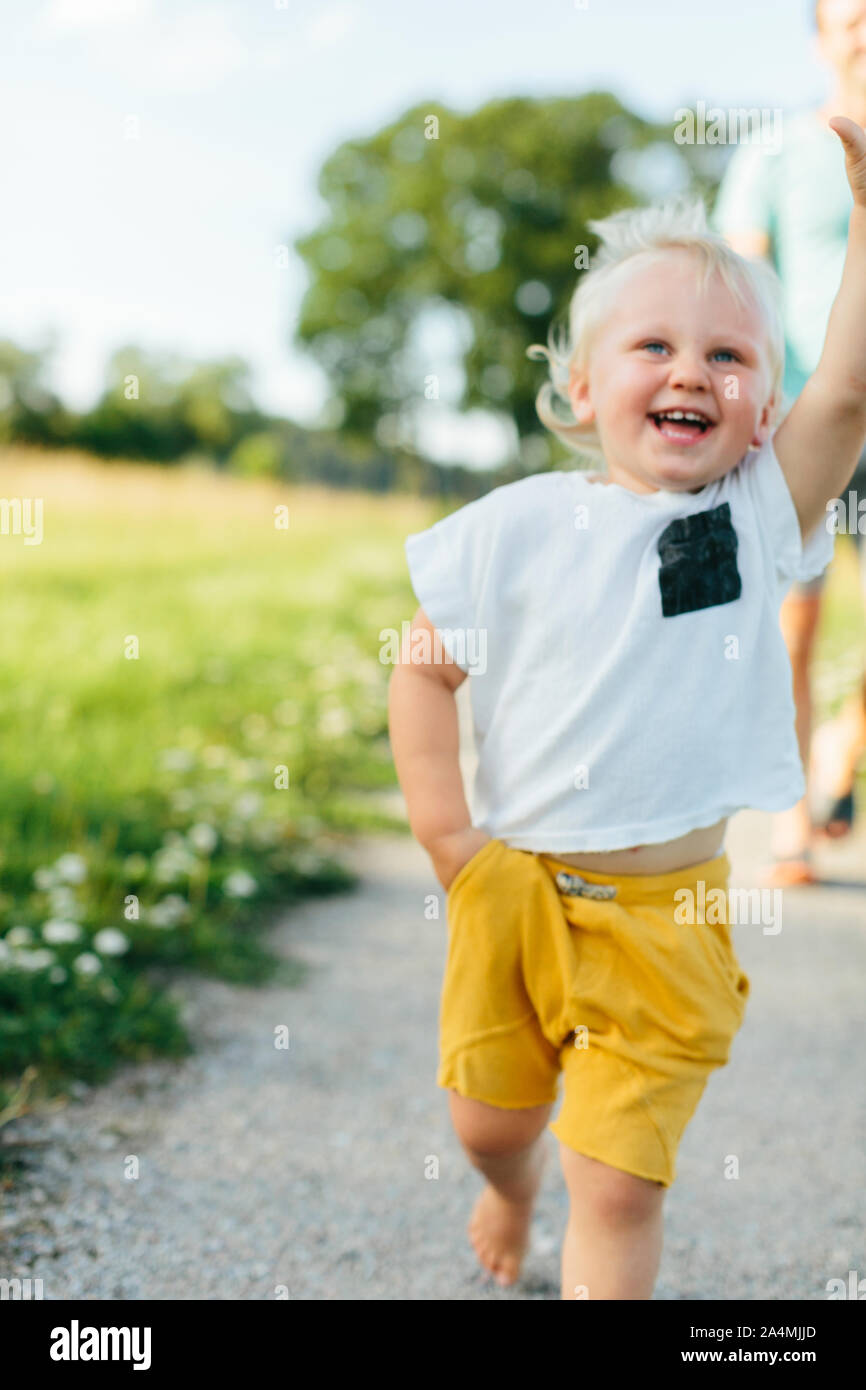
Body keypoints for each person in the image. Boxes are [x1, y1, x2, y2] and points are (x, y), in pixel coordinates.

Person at [387, 118, 866, 1301]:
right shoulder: (517, 527)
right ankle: (505, 1188)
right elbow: (419, 665)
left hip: (663, 923)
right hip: (511, 892)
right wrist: (449, 836)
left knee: (617, 1183)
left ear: (761, 411)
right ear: (583, 386)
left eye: (729, 357)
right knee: (489, 1119)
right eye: (654, 344)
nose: (691, 371)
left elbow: (849, 392)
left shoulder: (753, 519)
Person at [713, 0, 866, 885]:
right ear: (819, 37)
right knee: (795, 627)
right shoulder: (772, 151)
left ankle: (846, 742)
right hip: (806, 416)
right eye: (845, 13)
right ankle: (793, 815)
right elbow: (744, 271)